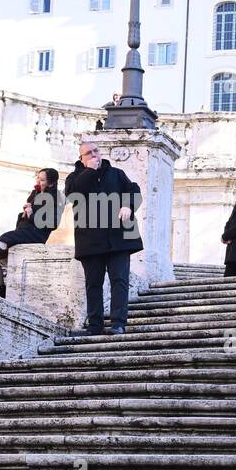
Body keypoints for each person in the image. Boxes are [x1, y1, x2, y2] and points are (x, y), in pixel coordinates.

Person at [64, 141, 142, 337]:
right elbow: (73, 195)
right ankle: (95, 325)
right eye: (88, 153)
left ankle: (118, 324)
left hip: (119, 238)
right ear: (81, 158)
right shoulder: (74, 178)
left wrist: (128, 206)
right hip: (90, 239)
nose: (94, 155)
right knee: (93, 284)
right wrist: (89, 171)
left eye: (96, 151)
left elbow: (134, 190)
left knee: (120, 281)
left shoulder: (116, 173)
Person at [0, 168, 63, 296]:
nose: (38, 181)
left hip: (35, 235)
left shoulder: (57, 199)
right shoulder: (36, 193)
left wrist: (31, 214)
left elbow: (53, 223)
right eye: (38, 178)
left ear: (51, 183)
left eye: (42, 179)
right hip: (23, 230)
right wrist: (26, 211)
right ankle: (1, 292)